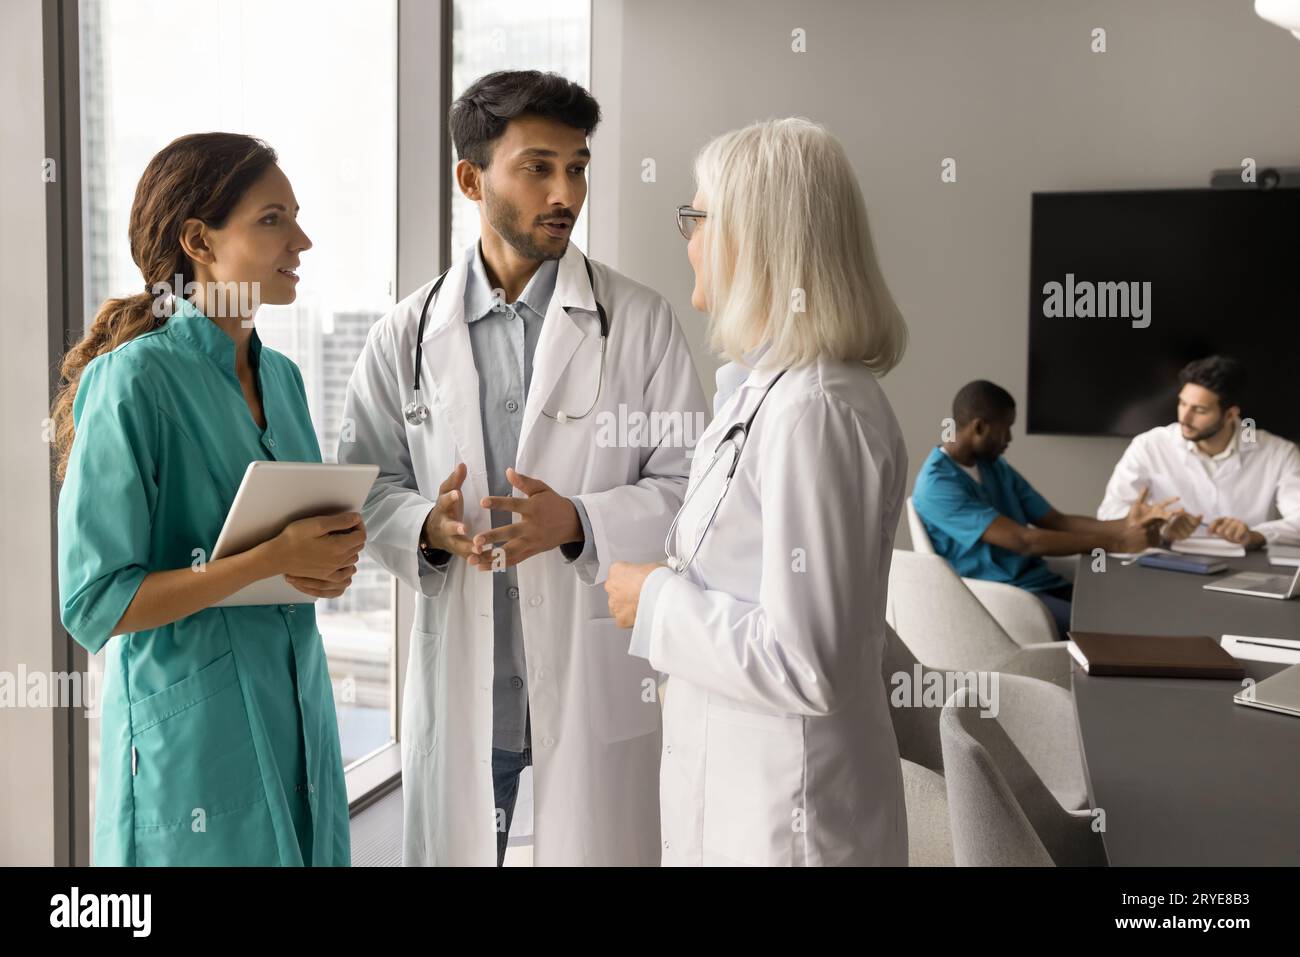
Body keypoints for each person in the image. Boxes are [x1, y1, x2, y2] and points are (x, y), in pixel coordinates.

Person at [339, 71, 706, 866]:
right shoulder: (404, 334)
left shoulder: (637, 322)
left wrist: (576, 520)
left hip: (590, 686)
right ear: (471, 179)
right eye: (537, 167)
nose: (564, 191)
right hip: (468, 693)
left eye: (576, 166)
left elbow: (691, 488)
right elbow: (364, 487)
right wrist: (426, 529)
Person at [604, 118, 910, 866]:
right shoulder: (765, 394)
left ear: (755, 236)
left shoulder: (816, 411)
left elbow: (808, 661)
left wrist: (656, 603)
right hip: (745, 795)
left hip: (790, 820)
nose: (689, 241)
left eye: (698, 217)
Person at [54, 133, 359, 866]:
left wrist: (324, 561)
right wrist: (266, 561)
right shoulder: (133, 383)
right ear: (199, 240)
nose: (301, 240)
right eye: (272, 219)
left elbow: (287, 548)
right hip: (190, 741)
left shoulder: (282, 377)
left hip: (299, 717)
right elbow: (95, 602)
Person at [912, 380, 1167, 639]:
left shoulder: (993, 466)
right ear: (979, 427)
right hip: (1006, 600)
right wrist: (1117, 543)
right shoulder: (937, 486)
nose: (1009, 439)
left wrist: (1126, 524)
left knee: (1134, 610)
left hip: (1040, 584)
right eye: (1006, 428)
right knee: (1114, 631)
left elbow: (1057, 520)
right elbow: (1025, 541)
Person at [1098, 355, 1300, 548]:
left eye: (1199, 410)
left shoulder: (1279, 453)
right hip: (1167, 563)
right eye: (1182, 403)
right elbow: (1109, 513)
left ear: (1230, 414)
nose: (1184, 418)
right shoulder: (1149, 445)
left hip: (1246, 567)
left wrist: (1256, 535)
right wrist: (1159, 525)